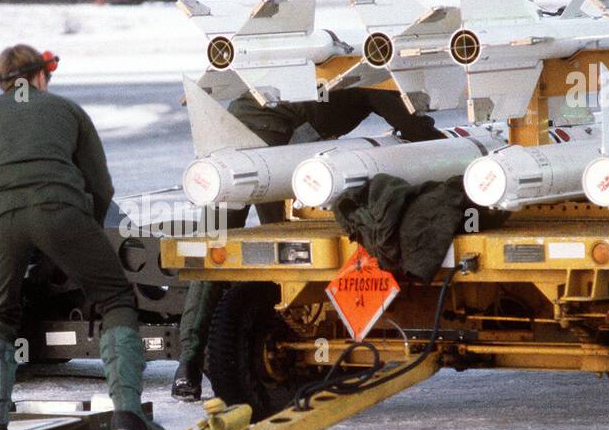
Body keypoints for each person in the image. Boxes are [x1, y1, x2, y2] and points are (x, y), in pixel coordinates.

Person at [0, 44, 168, 430]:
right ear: (41, 76)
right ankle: (129, 414)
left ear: (0, 83)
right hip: (63, 212)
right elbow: (100, 187)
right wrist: (82, 236)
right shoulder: (68, 111)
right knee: (115, 298)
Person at [172, 86, 443, 400]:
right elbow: (405, 121)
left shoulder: (332, 63)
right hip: (268, 147)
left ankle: (188, 365)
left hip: (228, 138)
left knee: (213, 249)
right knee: (280, 246)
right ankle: (275, 331)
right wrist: (441, 143)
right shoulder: (375, 75)